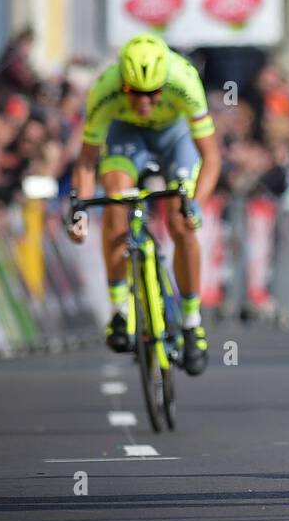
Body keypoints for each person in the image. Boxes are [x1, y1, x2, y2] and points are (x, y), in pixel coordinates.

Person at [67, 33, 221, 376]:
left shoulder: (184, 79)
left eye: (153, 93)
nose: (144, 102)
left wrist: (195, 204)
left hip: (175, 137)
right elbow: (86, 162)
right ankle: (120, 311)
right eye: (135, 93)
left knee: (182, 222)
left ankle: (193, 322)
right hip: (127, 136)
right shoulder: (104, 88)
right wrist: (79, 210)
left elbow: (211, 157)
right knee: (116, 198)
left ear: (164, 84)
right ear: (123, 85)